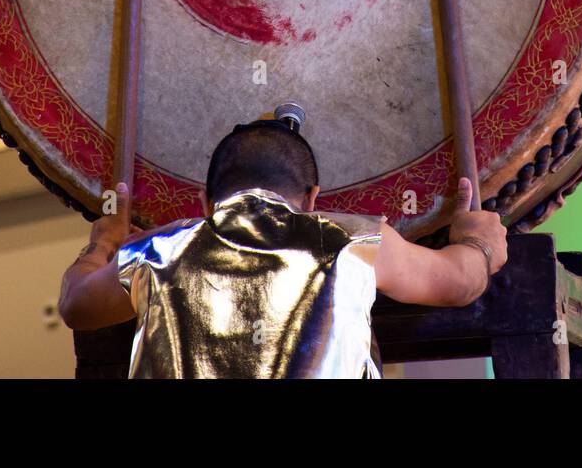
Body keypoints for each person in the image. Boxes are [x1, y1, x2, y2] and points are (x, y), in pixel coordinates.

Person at [58, 107, 508, 378]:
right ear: (313, 199)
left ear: (205, 201)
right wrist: (478, 240)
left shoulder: (159, 252)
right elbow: (459, 282)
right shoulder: (352, 241)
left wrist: (102, 244)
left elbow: (76, 304)